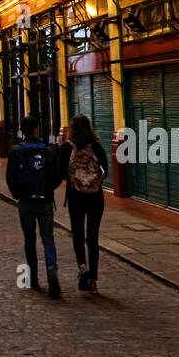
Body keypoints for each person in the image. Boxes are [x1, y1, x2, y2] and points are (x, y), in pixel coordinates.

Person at [6, 114, 62, 297]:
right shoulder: (48, 150)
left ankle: (32, 277)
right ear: (37, 129)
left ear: (22, 130)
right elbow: (57, 176)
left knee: (29, 239)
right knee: (48, 239)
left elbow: (10, 177)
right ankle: (52, 270)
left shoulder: (16, 151)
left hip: (26, 202)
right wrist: (48, 189)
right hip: (45, 201)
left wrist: (18, 194)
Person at [57, 114, 108, 294]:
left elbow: (60, 173)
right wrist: (93, 181)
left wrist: (74, 179)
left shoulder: (66, 147)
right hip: (95, 197)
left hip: (76, 196)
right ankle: (93, 279)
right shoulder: (96, 146)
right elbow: (106, 170)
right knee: (93, 237)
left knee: (78, 233)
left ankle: (82, 267)